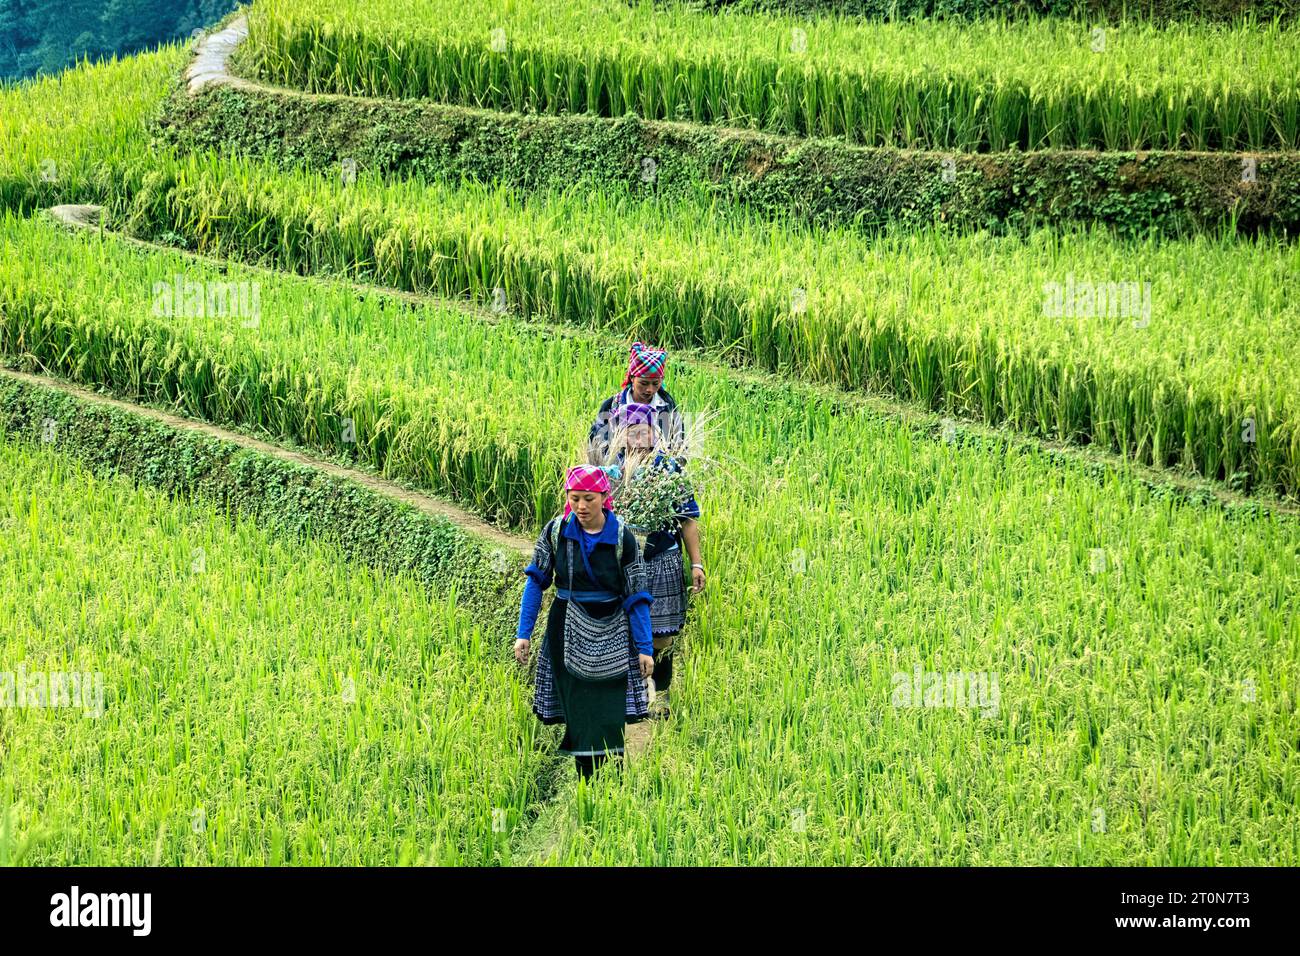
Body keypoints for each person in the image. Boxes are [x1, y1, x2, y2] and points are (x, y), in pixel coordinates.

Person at [514, 465, 655, 780]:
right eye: (574, 498)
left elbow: (637, 595)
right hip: (566, 627)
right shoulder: (556, 532)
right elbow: (536, 582)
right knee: (579, 707)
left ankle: (613, 780)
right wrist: (523, 633)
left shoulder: (623, 538)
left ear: (604, 497)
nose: (581, 506)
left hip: (613, 627)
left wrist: (645, 647)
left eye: (589, 499)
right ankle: (587, 782)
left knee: (608, 704)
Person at [606, 403, 704, 719]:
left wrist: (696, 563)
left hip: (661, 561)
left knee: (661, 637)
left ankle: (659, 698)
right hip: (623, 564)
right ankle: (628, 698)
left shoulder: (669, 470)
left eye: (642, 430)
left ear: (653, 431)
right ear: (620, 434)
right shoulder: (610, 471)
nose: (636, 437)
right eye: (630, 431)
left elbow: (688, 520)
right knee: (622, 632)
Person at [589, 341, 686, 460]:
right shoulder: (612, 405)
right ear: (632, 378)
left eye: (655, 383)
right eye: (643, 383)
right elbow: (596, 443)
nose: (649, 389)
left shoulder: (667, 407)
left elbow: (679, 445)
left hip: (656, 472)